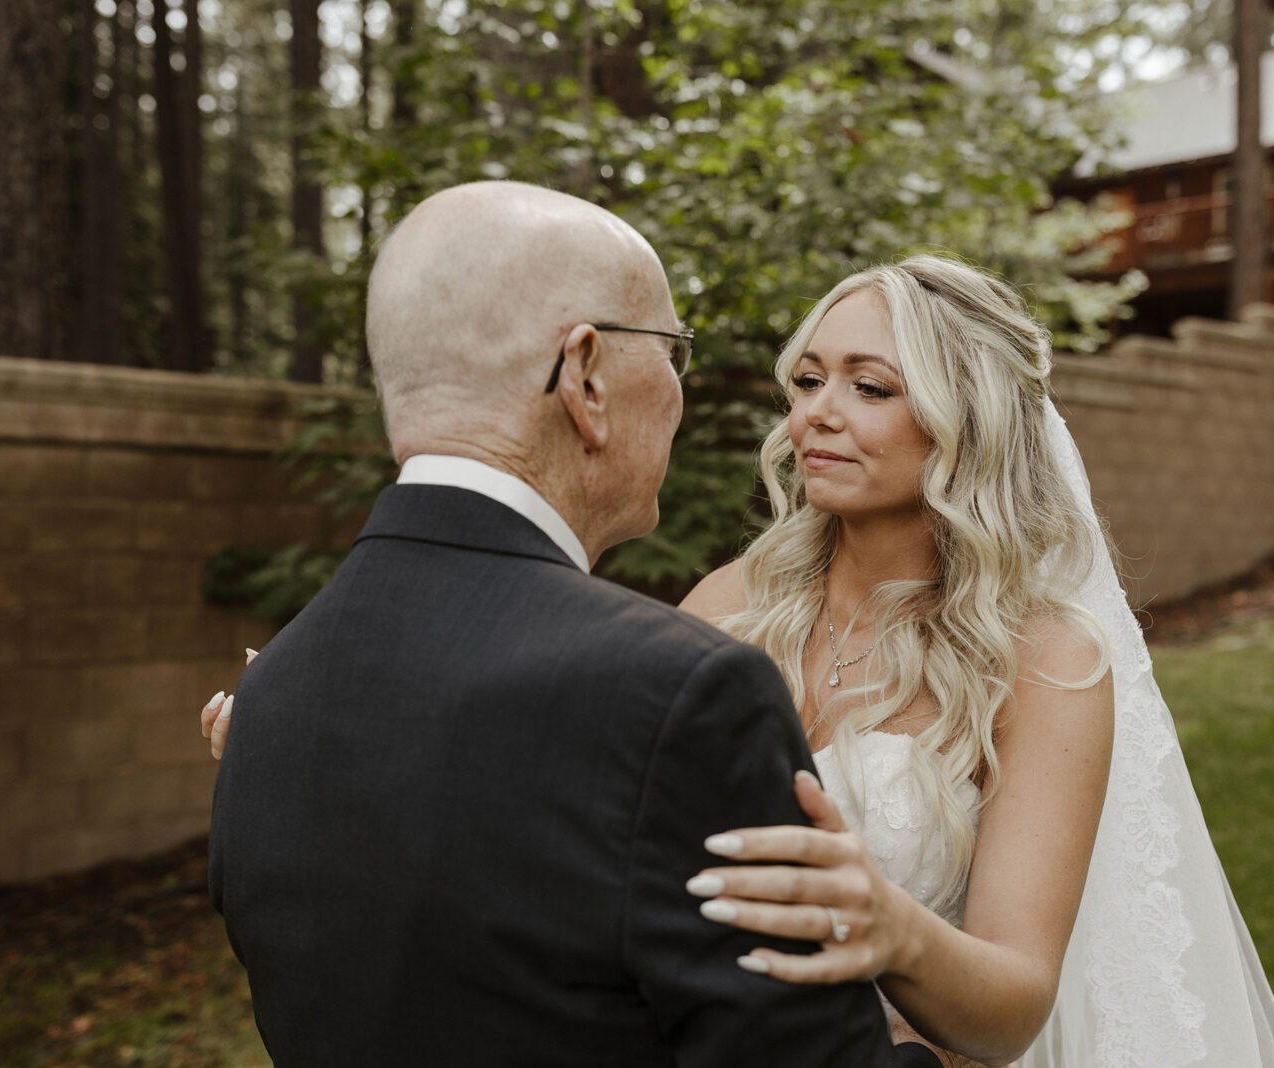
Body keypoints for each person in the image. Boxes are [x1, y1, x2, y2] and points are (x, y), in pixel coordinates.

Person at [206, 246, 1274, 1064]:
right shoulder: (728, 605)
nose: (817, 414)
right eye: (808, 380)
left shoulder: (1045, 659)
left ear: (964, 421)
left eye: (871, 387)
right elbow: (569, 798)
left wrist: (894, 931)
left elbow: (1015, 1003)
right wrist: (322, 746)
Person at [204, 180, 940, 1068]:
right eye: (672, 351)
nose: (678, 389)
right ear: (585, 377)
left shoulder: (269, 697)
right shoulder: (684, 692)